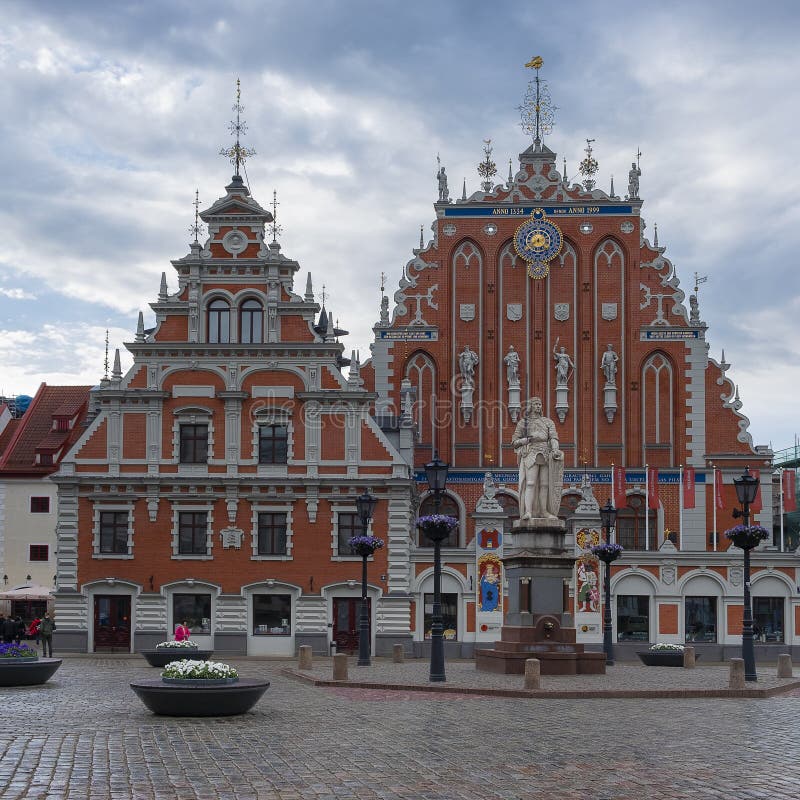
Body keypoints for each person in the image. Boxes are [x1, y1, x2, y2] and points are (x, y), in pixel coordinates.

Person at [511, 397, 565, 521]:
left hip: (546, 454)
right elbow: (514, 442)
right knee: (530, 483)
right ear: (530, 406)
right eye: (536, 404)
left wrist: (555, 448)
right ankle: (528, 511)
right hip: (531, 453)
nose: (538, 406)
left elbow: (553, 437)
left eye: (540, 404)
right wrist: (529, 439)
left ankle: (544, 511)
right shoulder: (523, 423)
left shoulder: (548, 422)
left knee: (545, 484)